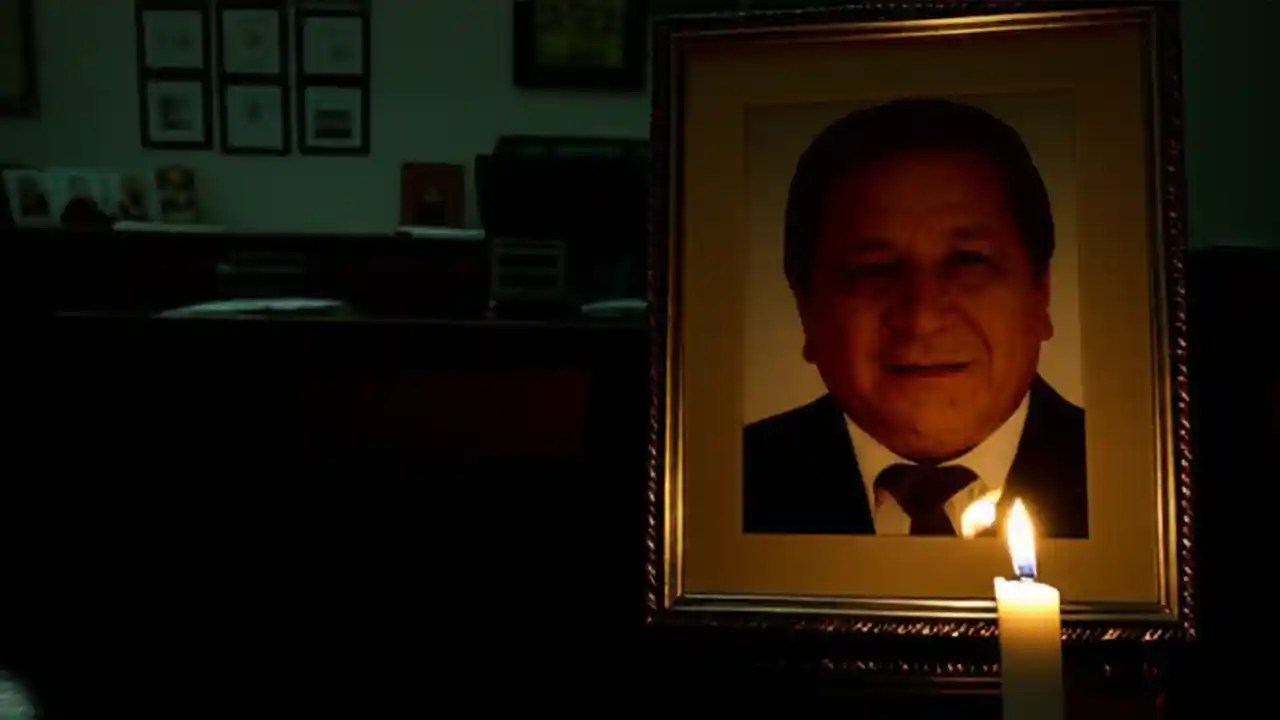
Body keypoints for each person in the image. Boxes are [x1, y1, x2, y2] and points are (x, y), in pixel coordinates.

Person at [743, 98, 1087, 538]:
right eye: (873, 270)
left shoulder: (1141, 479)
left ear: (1041, 293)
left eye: (967, 261)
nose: (922, 317)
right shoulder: (721, 483)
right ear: (806, 309)